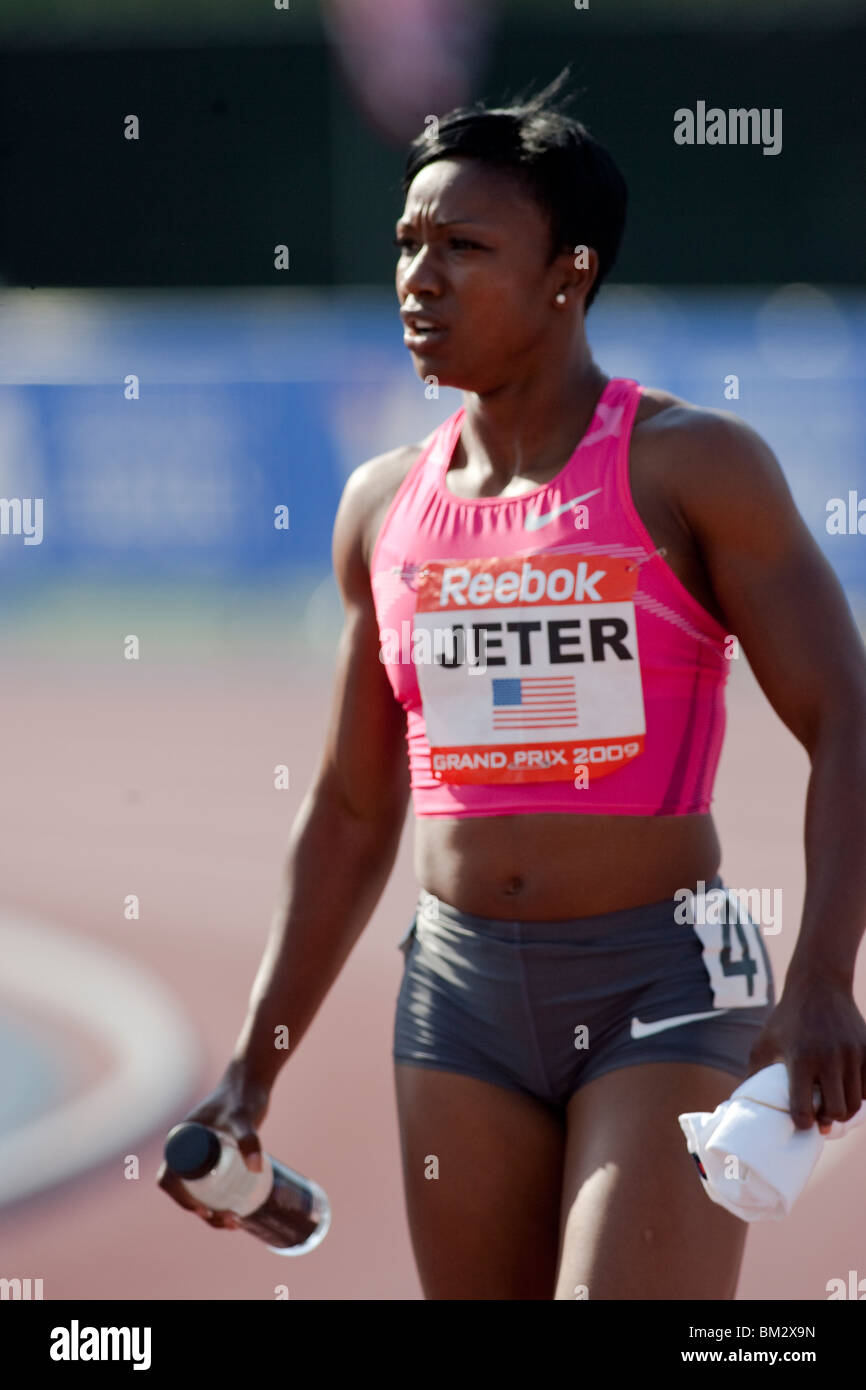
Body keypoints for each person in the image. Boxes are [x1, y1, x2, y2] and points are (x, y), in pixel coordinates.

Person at [158, 73, 866, 1300]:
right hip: (458, 1001)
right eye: (407, 244)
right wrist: (252, 1065)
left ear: (568, 272)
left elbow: (847, 715)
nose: (418, 278)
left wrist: (819, 981)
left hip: (665, 986)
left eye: (464, 246)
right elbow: (347, 808)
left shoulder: (687, 466)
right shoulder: (381, 503)